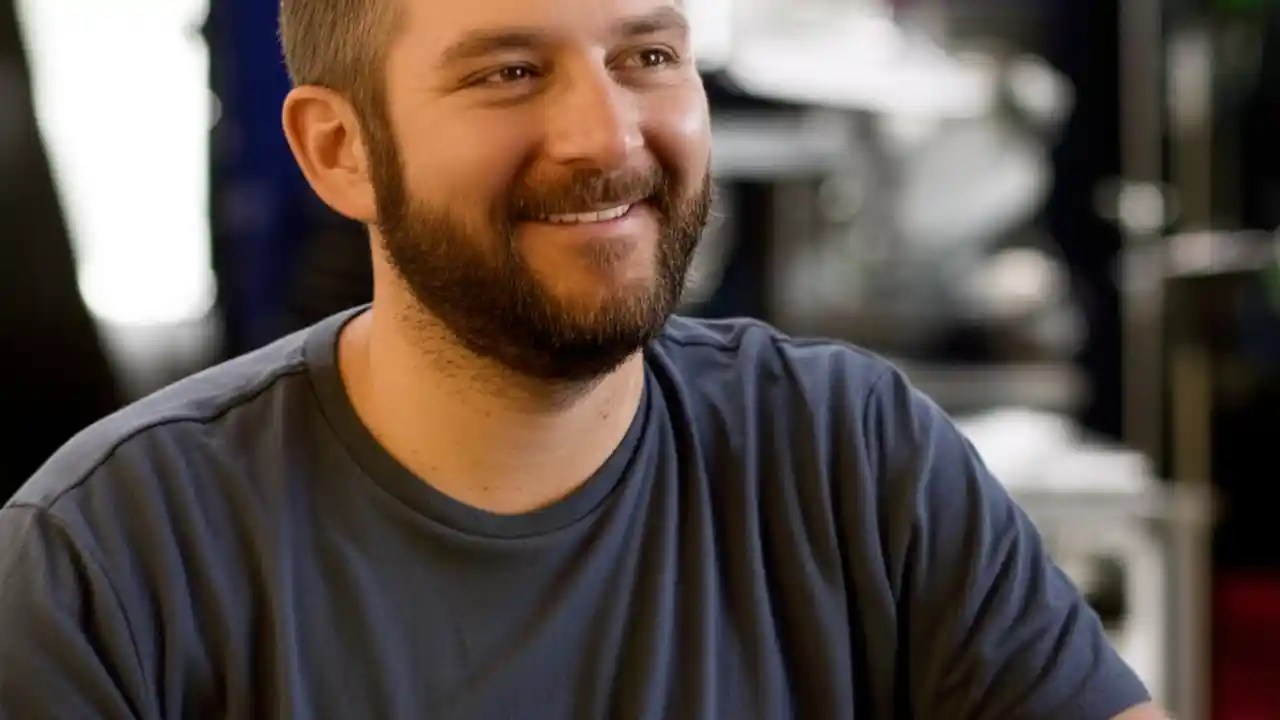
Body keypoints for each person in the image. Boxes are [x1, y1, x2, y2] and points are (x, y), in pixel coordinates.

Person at [0, 0, 1168, 717]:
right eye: (508, 71)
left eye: (647, 56)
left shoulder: (850, 456)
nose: (606, 139)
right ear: (339, 148)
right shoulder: (110, 562)